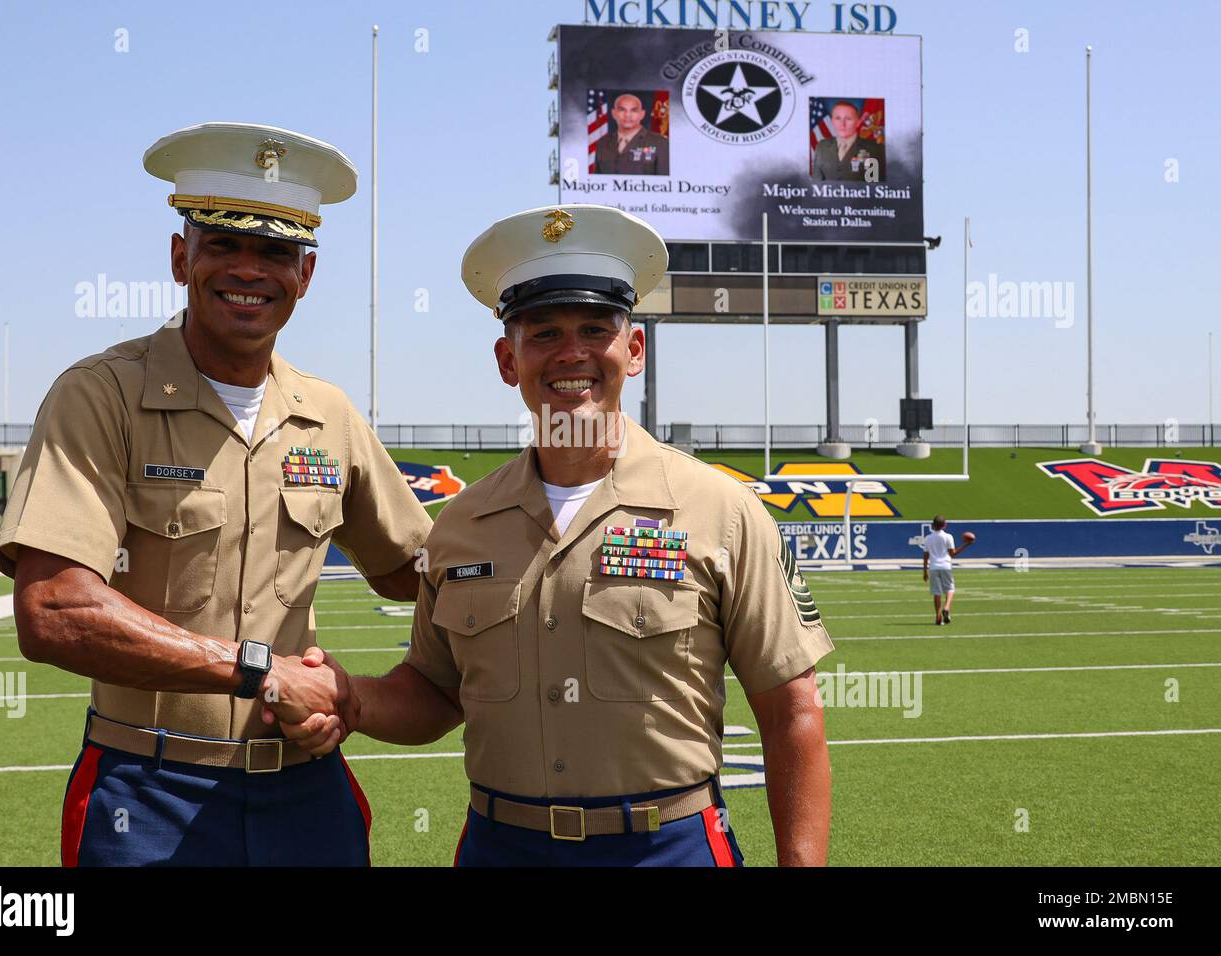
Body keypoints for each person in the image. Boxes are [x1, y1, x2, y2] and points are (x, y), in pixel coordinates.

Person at [276, 204, 835, 866]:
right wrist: (351, 698)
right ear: (508, 360)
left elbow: (791, 714)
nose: (571, 354)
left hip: (666, 847)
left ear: (634, 349)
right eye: (542, 334)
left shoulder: (722, 511)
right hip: (501, 846)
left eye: (595, 329)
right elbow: (432, 692)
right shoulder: (460, 527)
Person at [0, 122, 433, 866]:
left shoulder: (330, 416)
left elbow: (416, 574)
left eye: (276, 251)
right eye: (223, 244)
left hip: (305, 791)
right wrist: (260, 668)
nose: (249, 270)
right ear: (179, 257)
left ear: (307, 273)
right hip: (149, 792)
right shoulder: (101, 397)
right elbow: (54, 611)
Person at [594, 94, 670, 175]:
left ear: (642, 114)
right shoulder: (602, 143)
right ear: (614, 113)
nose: (627, 115)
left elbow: (665, 182)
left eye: (633, 110)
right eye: (622, 110)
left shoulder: (660, 143)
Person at [812, 100, 885, 182]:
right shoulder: (822, 147)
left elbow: (874, 186)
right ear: (832, 122)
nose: (842, 124)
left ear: (858, 122)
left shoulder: (874, 149)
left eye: (848, 119)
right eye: (838, 118)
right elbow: (816, 184)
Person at [921, 515, 971, 625]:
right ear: (945, 525)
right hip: (946, 566)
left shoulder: (928, 538)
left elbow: (925, 556)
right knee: (950, 589)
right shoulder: (948, 537)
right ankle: (947, 607)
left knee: (936, 592)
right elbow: (953, 554)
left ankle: (938, 616)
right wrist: (966, 544)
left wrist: (925, 571)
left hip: (933, 567)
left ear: (933, 525)